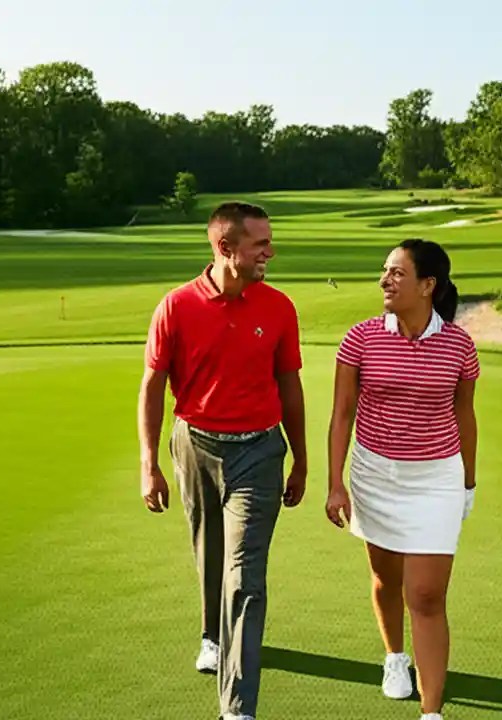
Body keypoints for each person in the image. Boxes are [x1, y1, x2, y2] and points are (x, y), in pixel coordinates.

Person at [137, 201, 308, 720]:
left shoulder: (278, 307)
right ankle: (213, 634)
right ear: (225, 248)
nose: (270, 252)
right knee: (209, 554)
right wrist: (149, 462)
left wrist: (301, 458)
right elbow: (153, 384)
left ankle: (237, 708)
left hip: (259, 451)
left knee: (245, 574)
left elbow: (290, 384)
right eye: (260, 244)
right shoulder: (177, 306)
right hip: (195, 446)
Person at [324, 238, 480, 720]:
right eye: (384, 271)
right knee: (385, 578)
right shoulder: (361, 337)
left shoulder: (459, 344)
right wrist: (335, 482)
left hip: (436, 478)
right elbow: (342, 414)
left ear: (428, 285)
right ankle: (395, 658)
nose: (384, 280)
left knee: (427, 595)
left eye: (396, 272)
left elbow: (465, 414)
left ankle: (432, 712)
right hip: (376, 475)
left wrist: (468, 484)